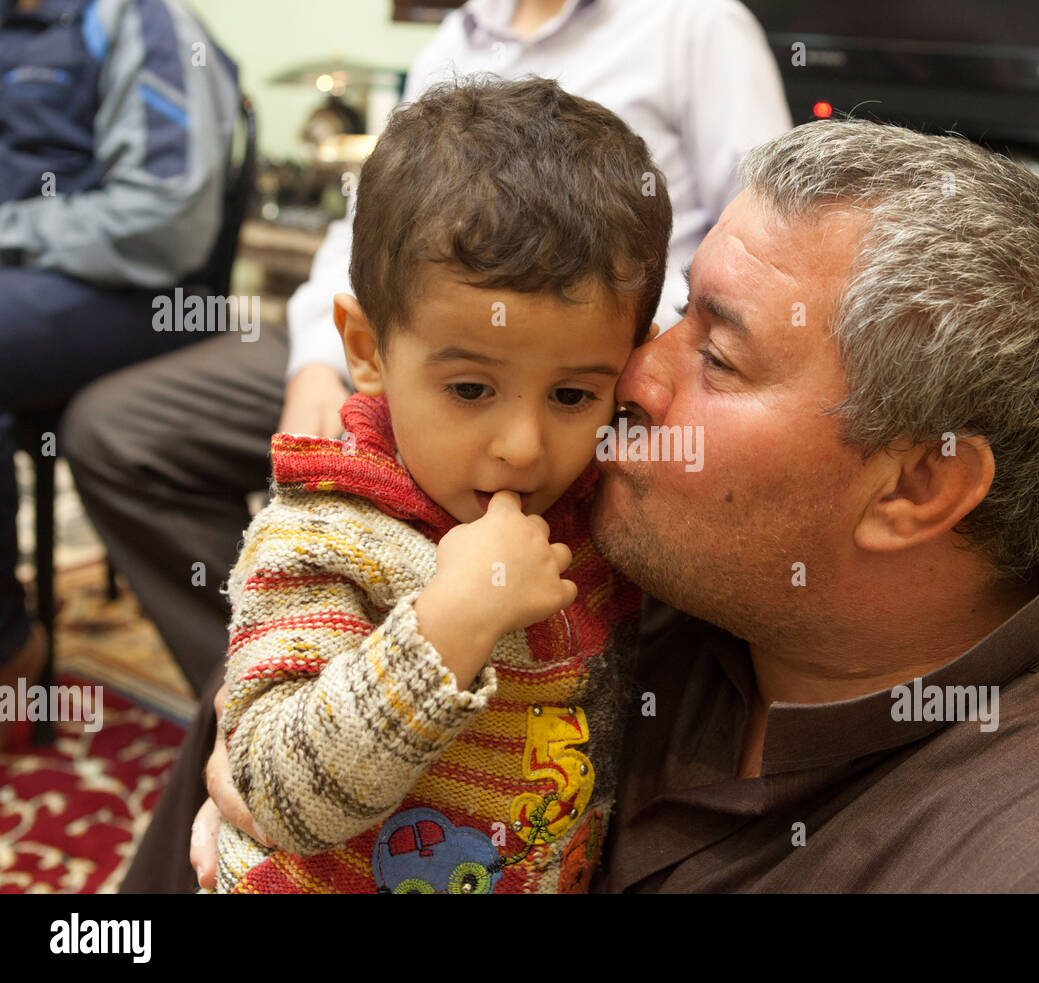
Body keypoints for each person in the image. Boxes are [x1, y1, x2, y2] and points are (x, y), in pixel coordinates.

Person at [195, 119, 1039, 893]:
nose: (630, 376)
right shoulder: (648, 542)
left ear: (915, 486)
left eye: (714, 353)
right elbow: (268, 759)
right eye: (671, 312)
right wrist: (266, 784)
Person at [61, 0, 792, 700]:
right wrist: (316, 360)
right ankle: (270, 684)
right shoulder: (453, 38)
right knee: (119, 432)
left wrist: (621, 346)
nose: (520, 451)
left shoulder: (697, 25)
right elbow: (365, 224)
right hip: (423, 329)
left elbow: (763, 255)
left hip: (602, 346)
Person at [214, 76, 667, 894]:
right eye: (470, 389)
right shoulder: (324, 534)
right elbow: (276, 795)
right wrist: (450, 622)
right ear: (368, 348)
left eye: (573, 395)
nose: (524, 448)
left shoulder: (610, 509)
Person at [0, 0, 238, 748]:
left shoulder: (141, 21)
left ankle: (9, 652)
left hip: (141, 293)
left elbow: (167, 217)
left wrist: (11, 231)